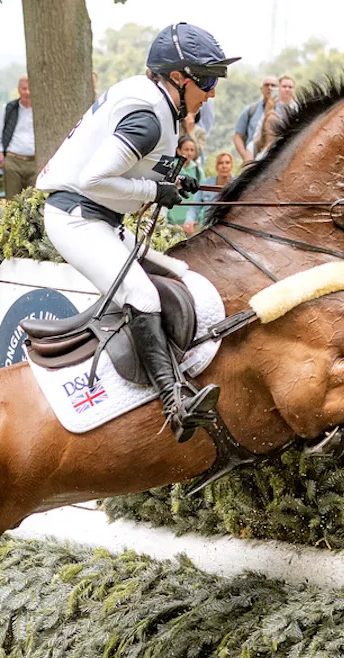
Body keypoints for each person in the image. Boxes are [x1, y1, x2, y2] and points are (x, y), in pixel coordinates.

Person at [36, 23, 236, 442]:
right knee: (142, 295)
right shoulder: (148, 118)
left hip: (98, 218)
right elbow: (94, 180)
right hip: (77, 217)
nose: (212, 92)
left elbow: (131, 172)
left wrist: (171, 185)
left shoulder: (156, 103)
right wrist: (153, 190)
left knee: (180, 270)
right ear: (179, 78)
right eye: (208, 81)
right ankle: (174, 404)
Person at [0, 76, 36, 197]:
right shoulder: (9, 108)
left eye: (30, 88)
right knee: (13, 202)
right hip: (13, 162)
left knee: (33, 203)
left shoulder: (40, 110)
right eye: (24, 88)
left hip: (35, 162)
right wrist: (2, 161)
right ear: (18, 90)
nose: (27, 92)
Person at [183, 150, 233, 235]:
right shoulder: (207, 183)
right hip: (208, 229)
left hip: (230, 229)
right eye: (221, 163)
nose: (224, 166)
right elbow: (194, 207)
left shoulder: (238, 185)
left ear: (231, 166)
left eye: (227, 163)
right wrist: (189, 221)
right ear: (217, 167)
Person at [233, 76, 277, 162]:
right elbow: (238, 136)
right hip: (253, 158)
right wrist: (245, 157)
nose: (270, 88)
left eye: (273, 85)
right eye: (266, 85)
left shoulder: (285, 112)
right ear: (261, 89)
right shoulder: (251, 110)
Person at [165, 136, 203, 225]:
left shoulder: (198, 171)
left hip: (189, 221)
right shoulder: (169, 167)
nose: (189, 153)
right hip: (168, 219)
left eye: (192, 150)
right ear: (178, 150)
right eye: (186, 149)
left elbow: (201, 196)